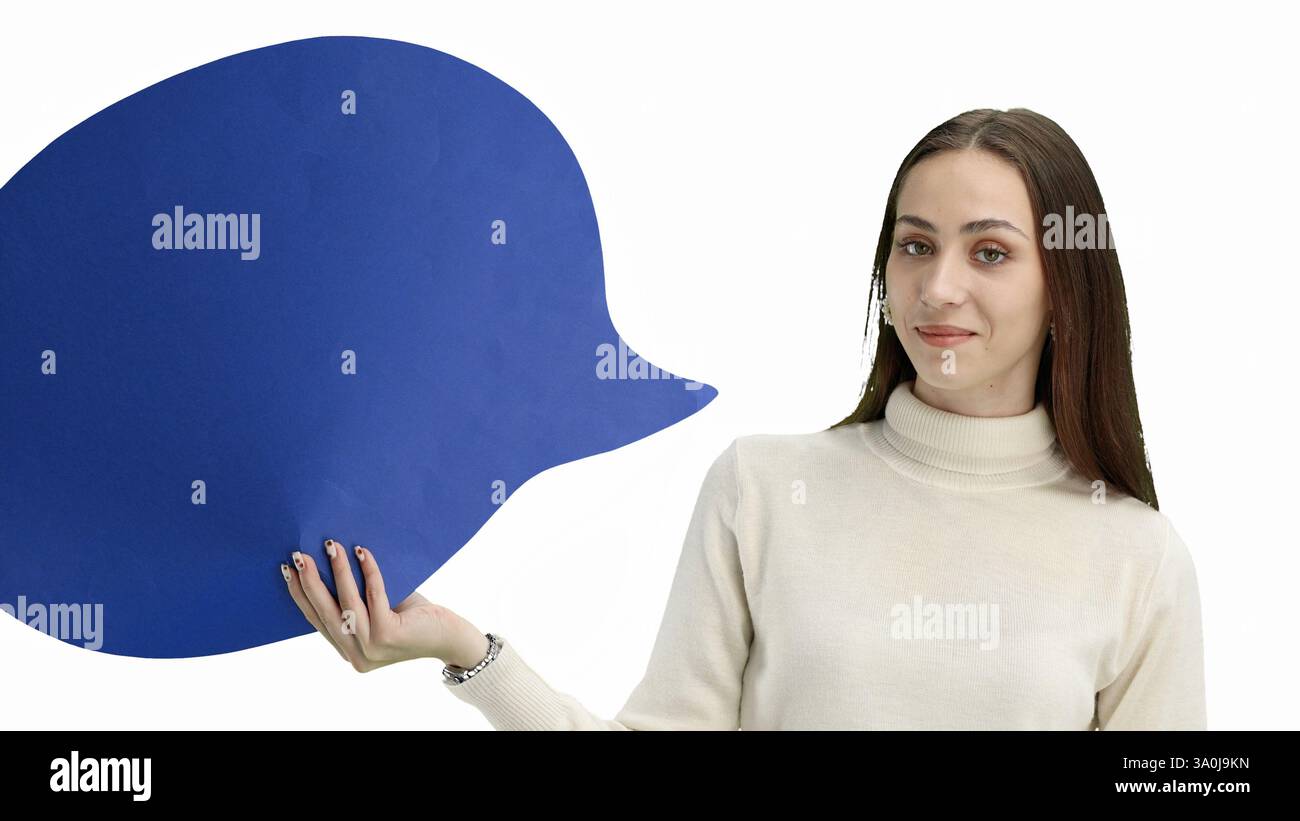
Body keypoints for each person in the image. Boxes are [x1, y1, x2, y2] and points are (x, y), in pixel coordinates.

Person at [280, 107, 1207, 730]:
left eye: (991, 251)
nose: (939, 287)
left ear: (1066, 284)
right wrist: (464, 650)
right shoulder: (766, 489)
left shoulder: (1134, 554)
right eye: (915, 245)